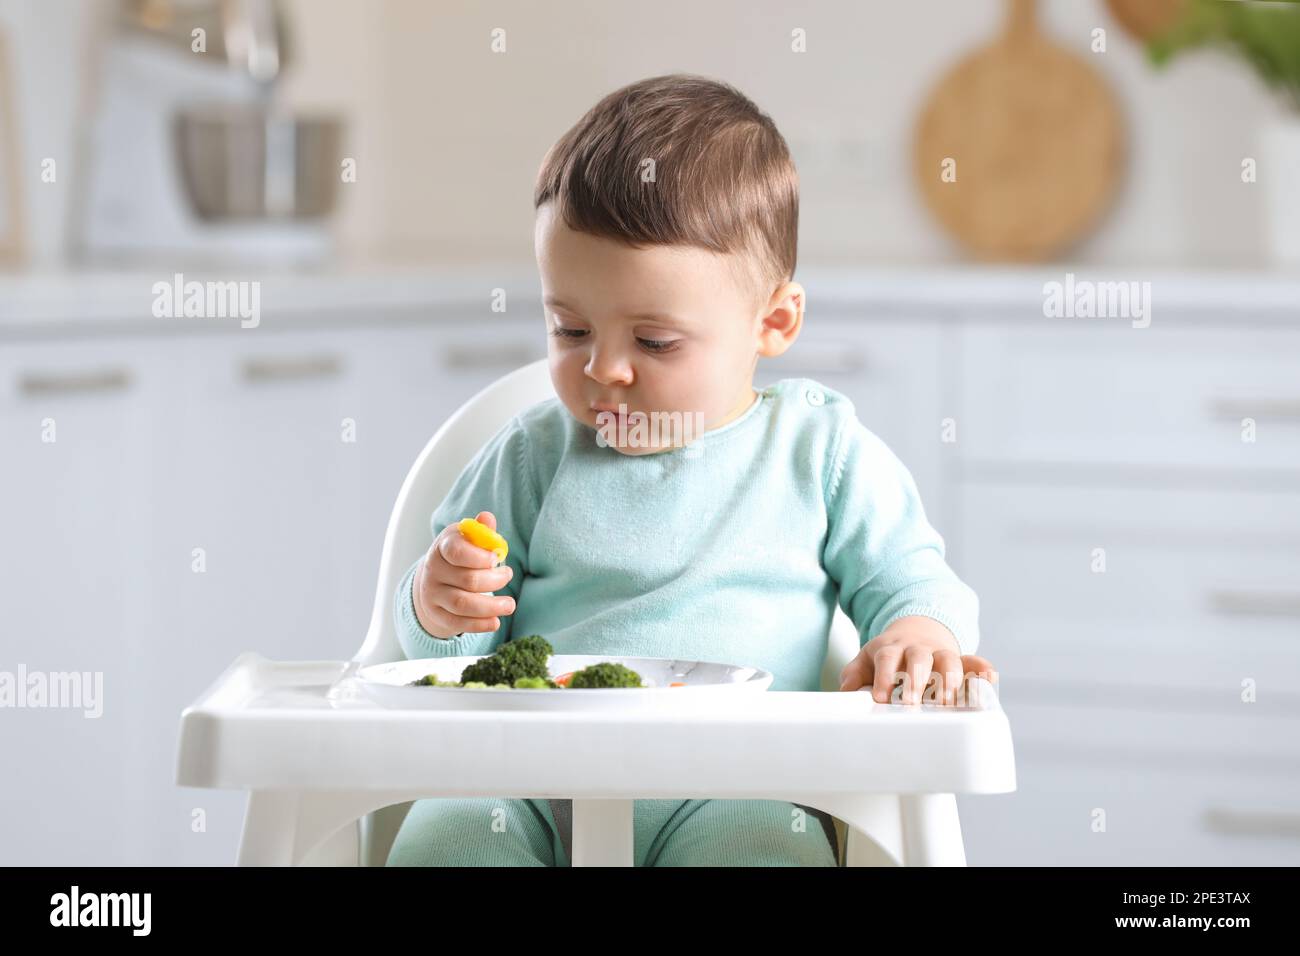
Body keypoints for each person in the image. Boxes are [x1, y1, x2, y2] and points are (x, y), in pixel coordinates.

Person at [386, 73, 995, 867]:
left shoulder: (818, 452)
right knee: (449, 838)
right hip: (527, 783)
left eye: (655, 342)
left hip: (741, 783)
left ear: (772, 321)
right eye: (570, 329)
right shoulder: (531, 457)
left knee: (759, 851)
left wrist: (917, 633)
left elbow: (914, 578)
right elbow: (443, 662)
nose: (604, 369)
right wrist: (438, 610)